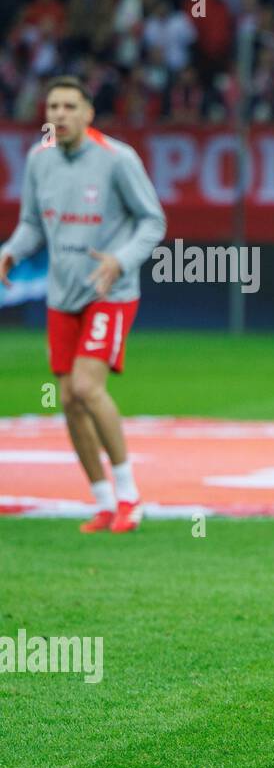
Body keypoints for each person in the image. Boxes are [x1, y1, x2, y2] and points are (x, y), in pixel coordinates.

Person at [0, 75, 165, 534]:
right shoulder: (39, 159)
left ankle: (130, 496)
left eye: (70, 106)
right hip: (62, 293)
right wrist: (10, 249)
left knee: (87, 388)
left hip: (109, 290)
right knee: (69, 399)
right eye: (53, 106)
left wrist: (121, 259)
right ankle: (102, 500)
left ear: (89, 113)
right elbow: (32, 224)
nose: (60, 115)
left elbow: (153, 220)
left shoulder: (117, 159)